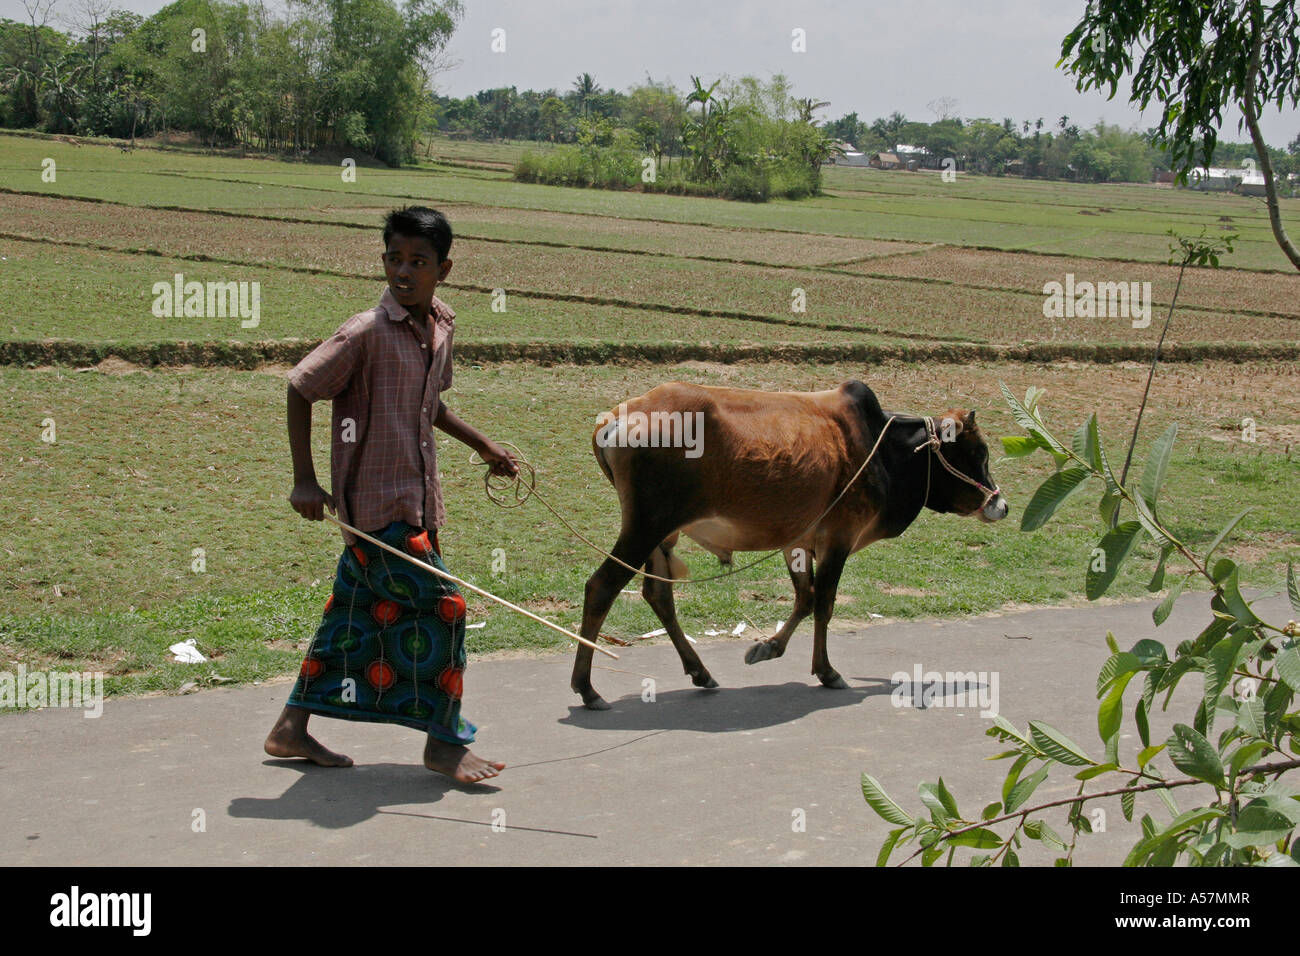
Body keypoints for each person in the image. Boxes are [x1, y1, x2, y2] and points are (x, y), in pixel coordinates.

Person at [263, 205, 518, 784]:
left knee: (351, 614)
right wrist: (305, 479)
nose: (403, 272)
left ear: (443, 269)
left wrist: (483, 446)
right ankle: (444, 744)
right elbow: (301, 386)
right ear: (384, 261)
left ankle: (290, 728)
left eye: (418, 262)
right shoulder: (365, 333)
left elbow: (430, 406)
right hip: (378, 511)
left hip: (418, 497)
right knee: (447, 609)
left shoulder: (441, 327)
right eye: (394, 259)